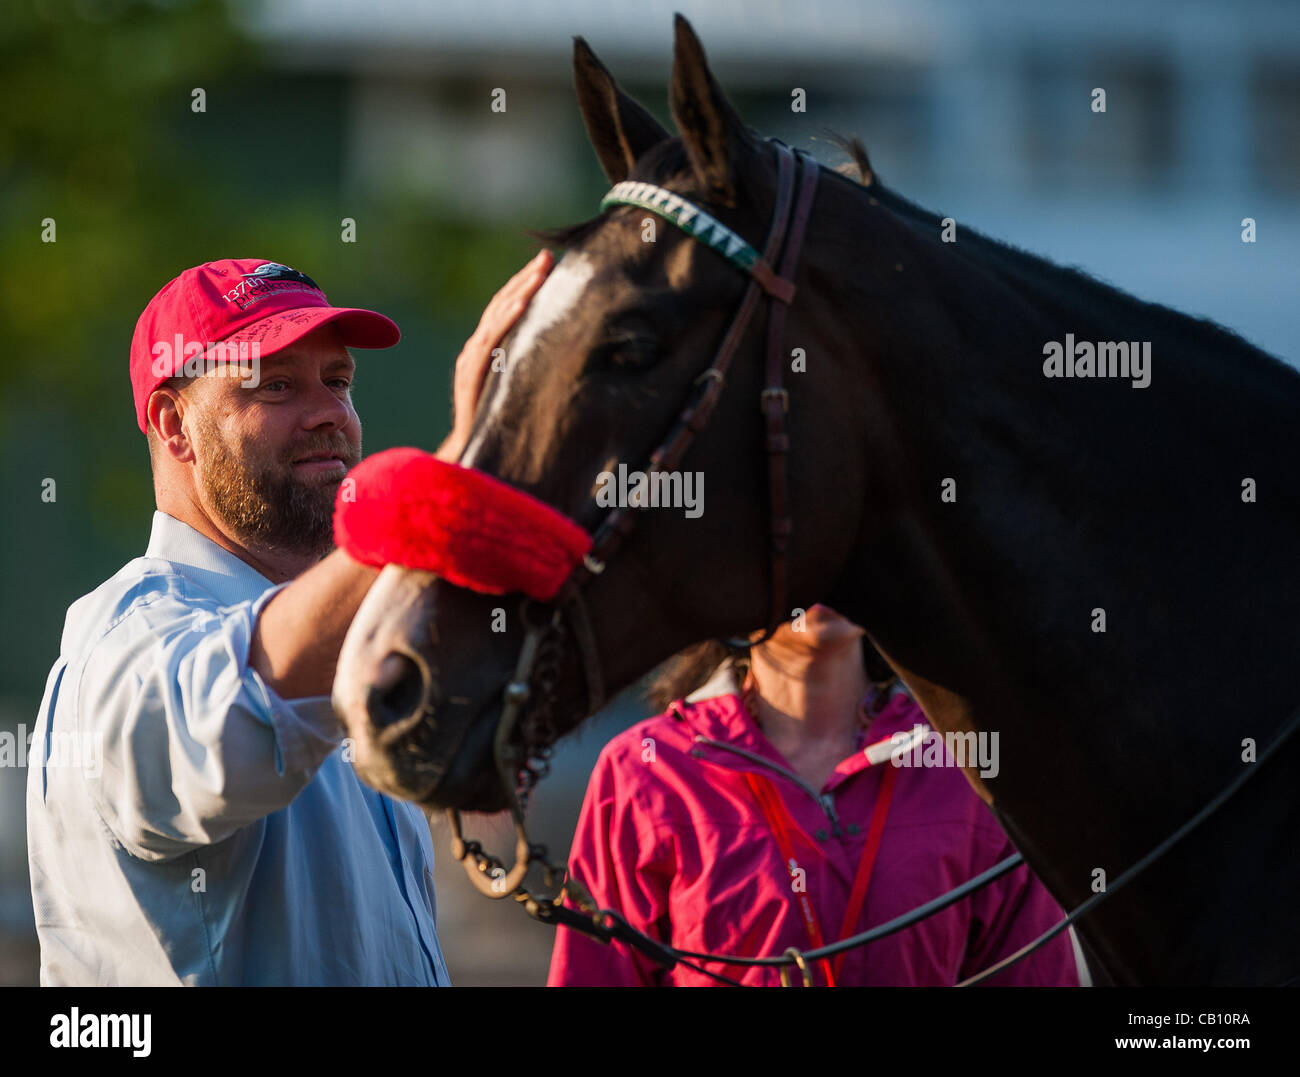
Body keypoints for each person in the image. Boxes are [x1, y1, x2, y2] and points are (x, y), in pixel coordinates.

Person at [26, 252, 552, 985]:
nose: (329, 412)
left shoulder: (339, 640)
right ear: (175, 425)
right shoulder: (126, 636)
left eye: (338, 381)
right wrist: (429, 498)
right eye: (275, 384)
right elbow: (228, 727)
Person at [548, 604, 1087, 986]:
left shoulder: (966, 763)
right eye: (803, 541)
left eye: (845, 541)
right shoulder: (643, 771)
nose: (828, 567)